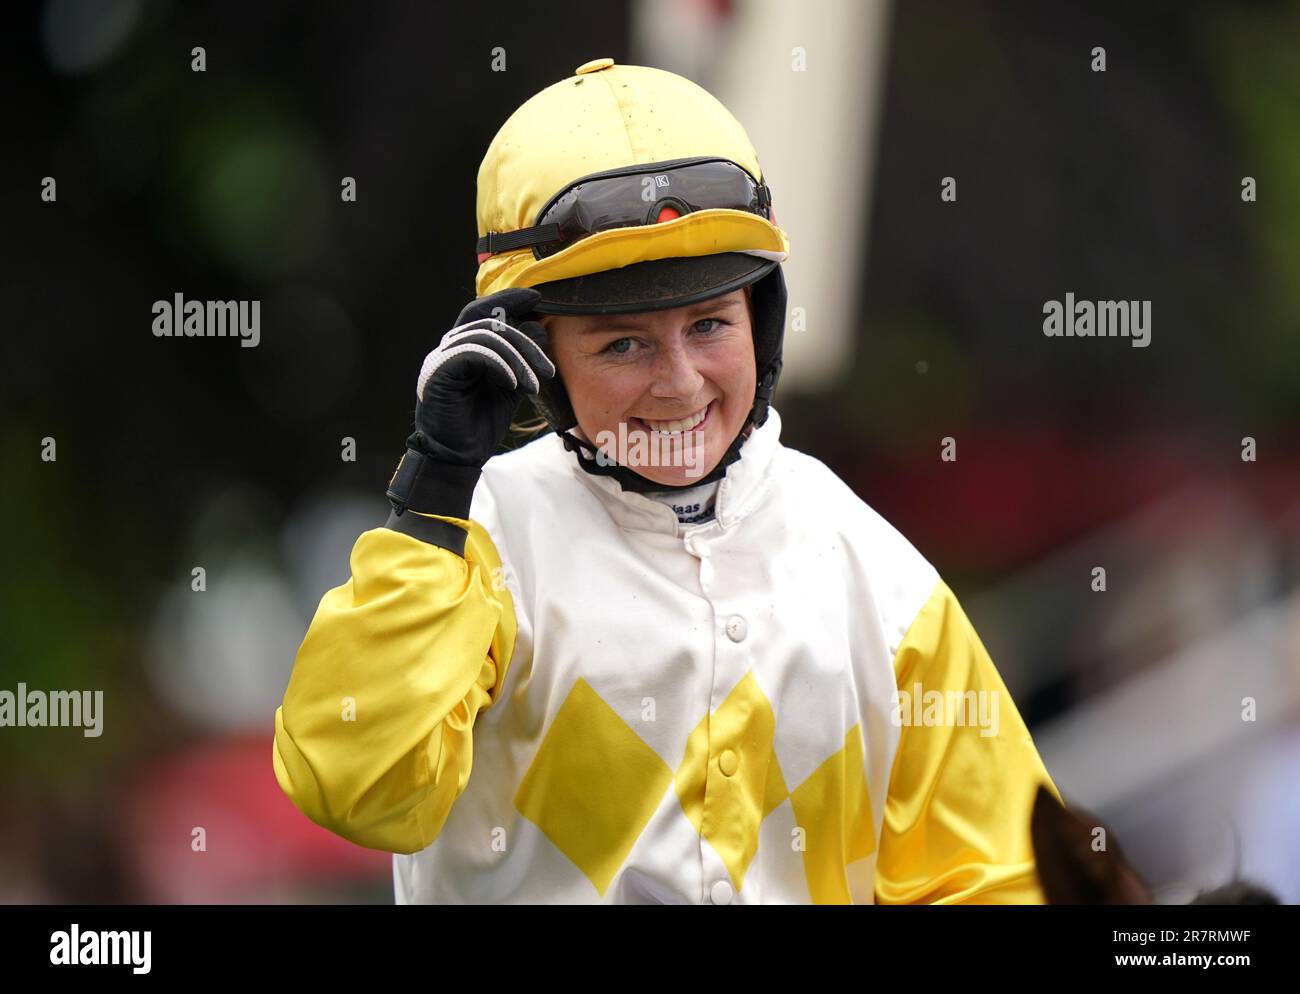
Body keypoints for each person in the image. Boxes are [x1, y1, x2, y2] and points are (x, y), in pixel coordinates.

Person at [272, 58, 1061, 904]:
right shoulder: (476, 546)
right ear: (535, 360)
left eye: (710, 323)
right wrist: (432, 492)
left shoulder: (873, 570)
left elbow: (999, 882)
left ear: (761, 321)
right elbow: (357, 787)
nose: (680, 382)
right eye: (623, 344)